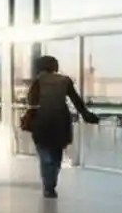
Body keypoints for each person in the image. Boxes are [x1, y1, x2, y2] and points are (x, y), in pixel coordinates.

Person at [24, 55, 100, 198]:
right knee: (56, 154)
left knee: (45, 155)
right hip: (60, 120)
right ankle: (52, 184)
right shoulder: (65, 81)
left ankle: (48, 186)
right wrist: (86, 114)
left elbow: (31, 101)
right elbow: (76, 101)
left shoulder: (37, 81)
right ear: (55, 66)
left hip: (41, 121)